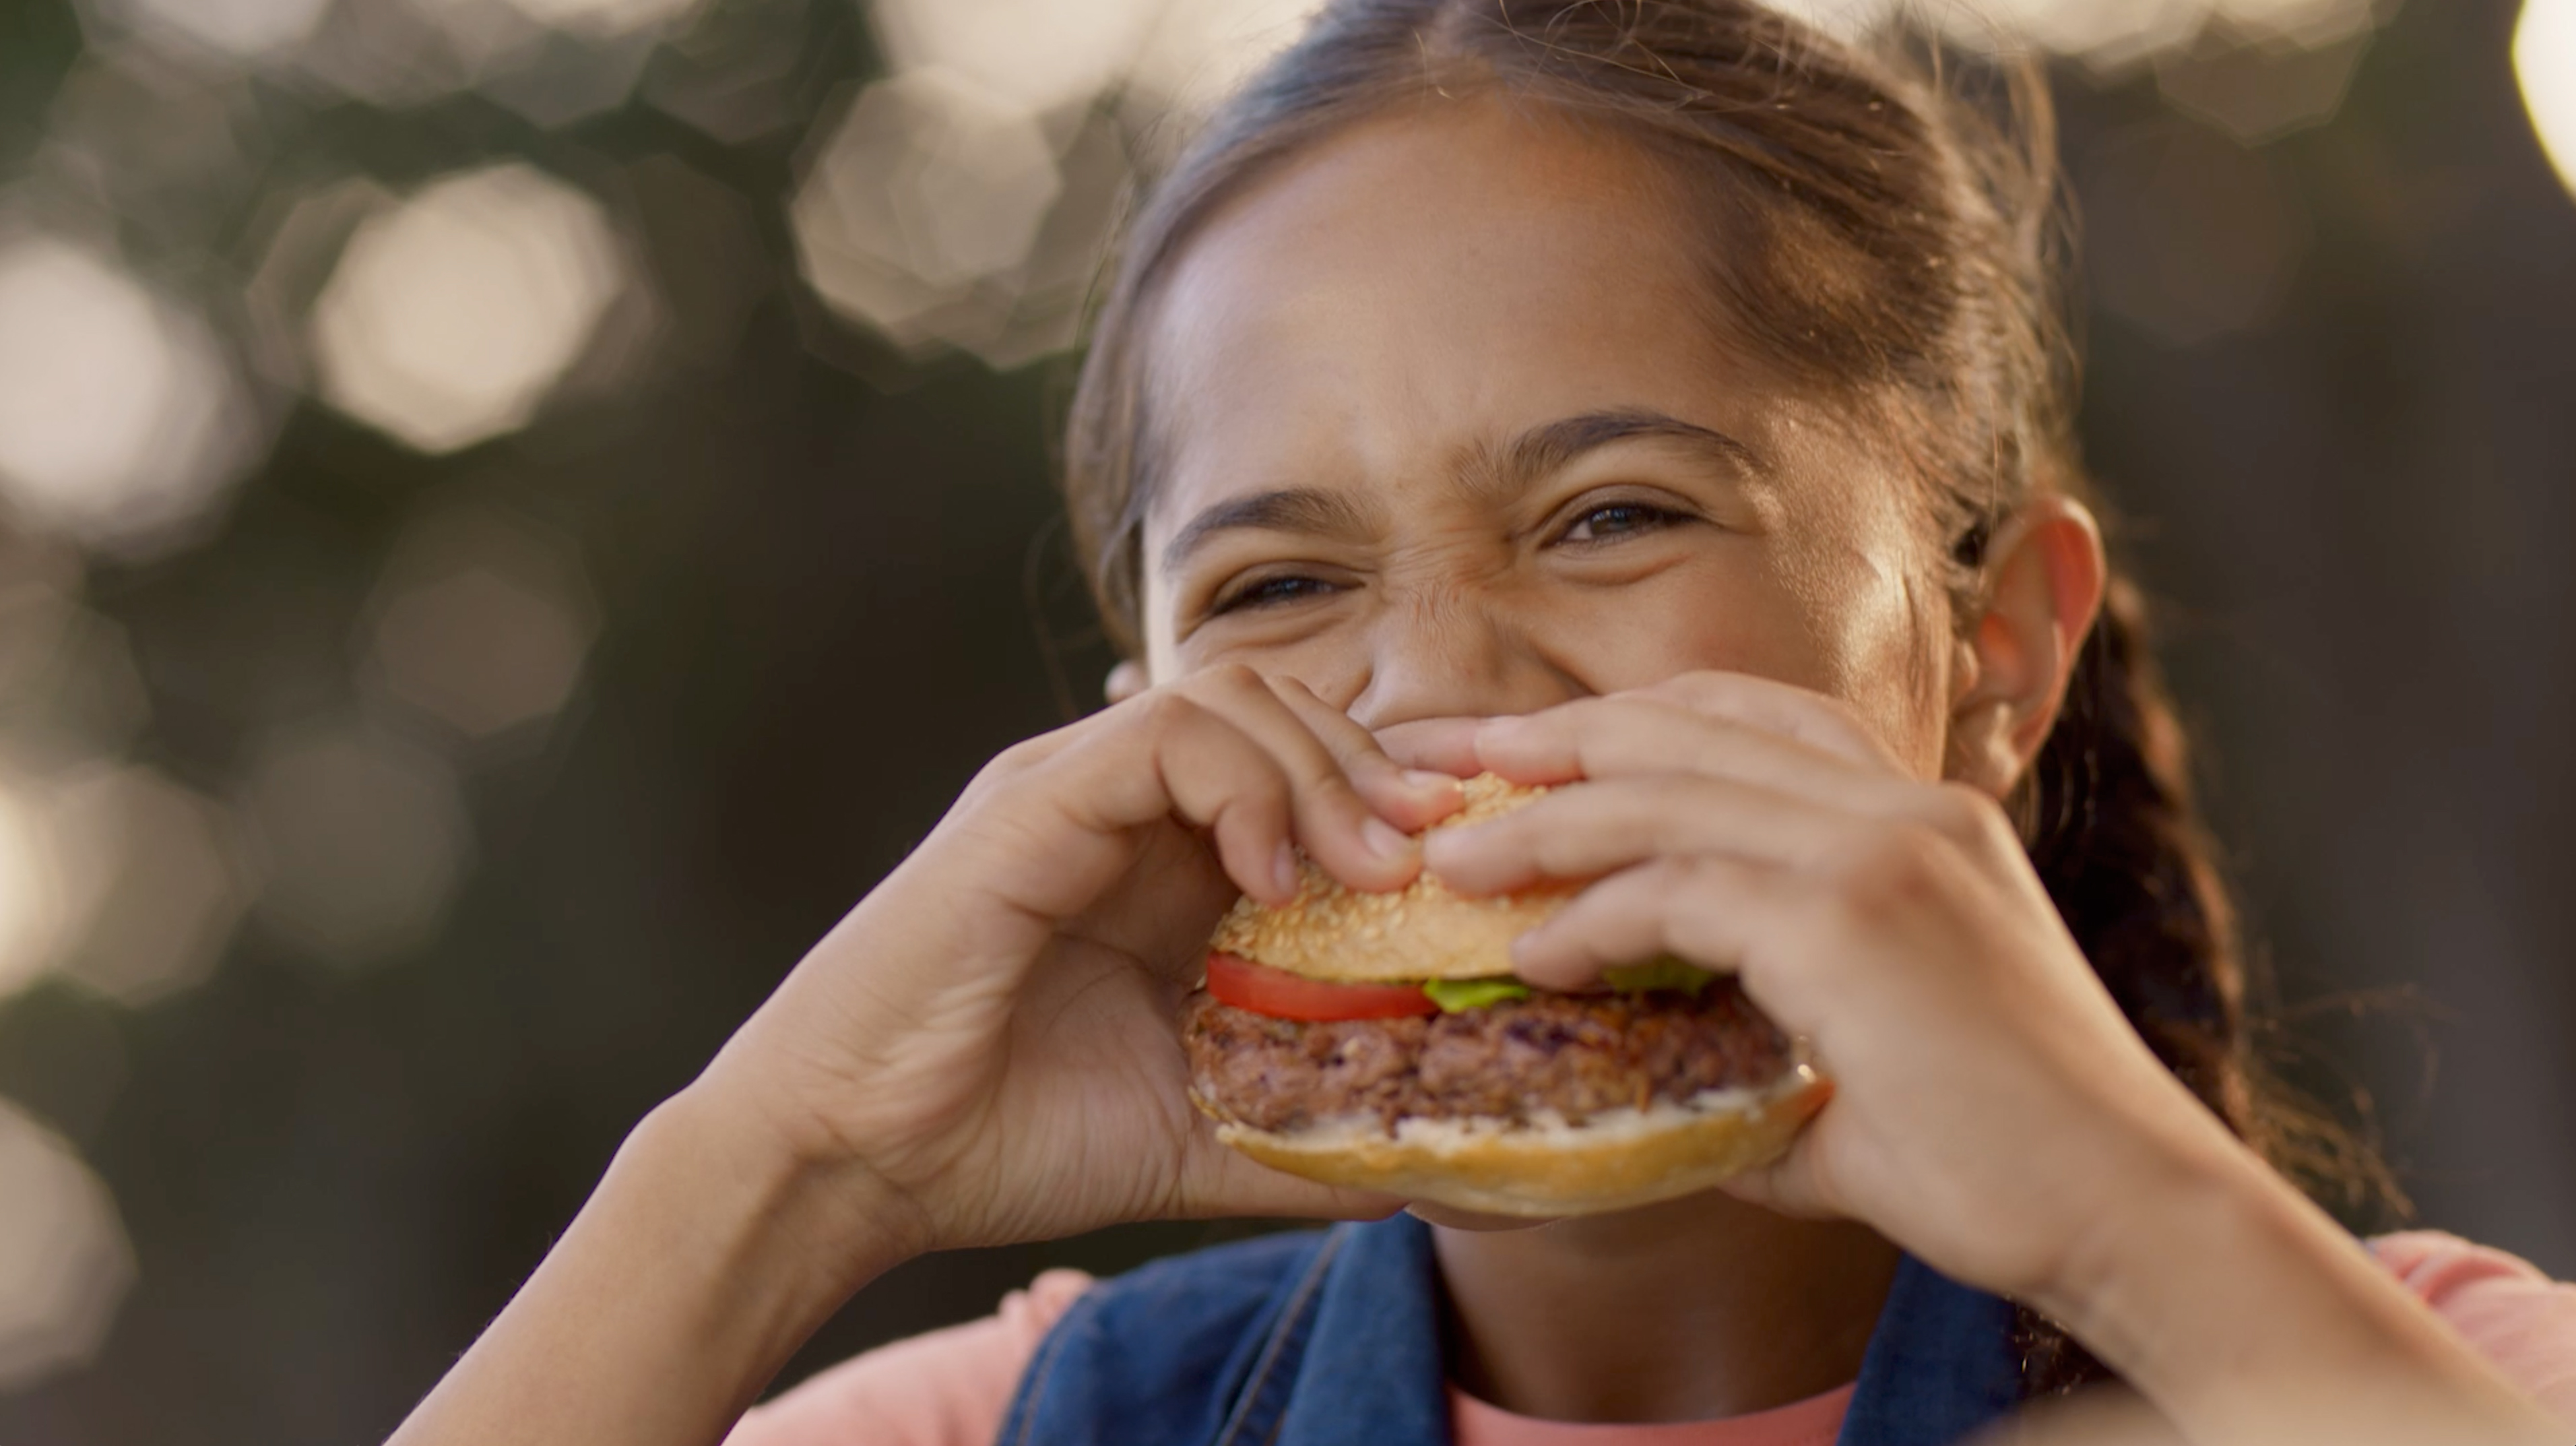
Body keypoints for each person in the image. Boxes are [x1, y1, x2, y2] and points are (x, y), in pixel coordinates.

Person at [385, 3, 2576, 1445]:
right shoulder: (1022, 1429)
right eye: (1281, 586)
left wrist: (2124, 1221)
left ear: (1993, 654)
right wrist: (780, 1165)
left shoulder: (2420, 1368)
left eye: (1611, 512)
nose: (1433, 684)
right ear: (1151, 724)